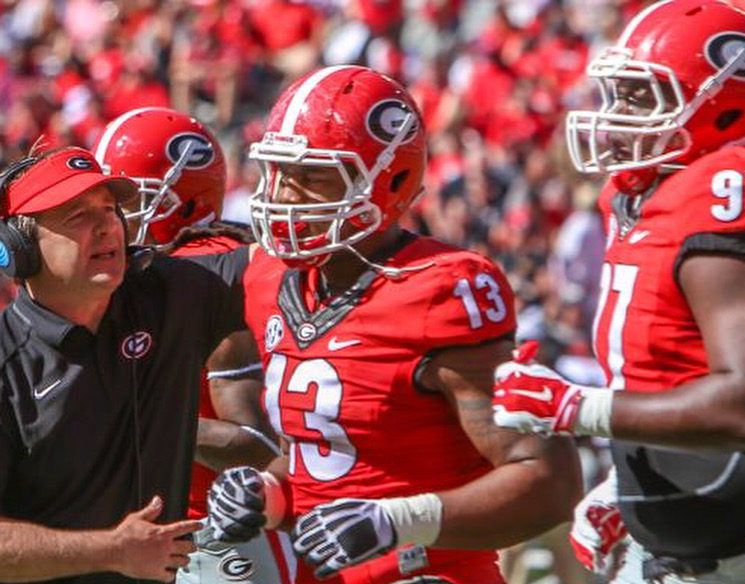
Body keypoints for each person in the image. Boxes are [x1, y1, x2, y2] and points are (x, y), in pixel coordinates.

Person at [490, 1, 745, 582]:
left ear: (724, 105)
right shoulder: (642, 204)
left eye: (643, 97)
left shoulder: (731, 190)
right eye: (620, 95)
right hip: (676, 560)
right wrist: (627, 487)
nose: (617, 117)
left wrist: (575, 408)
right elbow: (667, 379)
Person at [204, 65, 581, 583]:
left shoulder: (440, 288)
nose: (286, 197)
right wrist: (268, 492)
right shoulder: (272, 279)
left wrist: (400, 521)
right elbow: (333, 464)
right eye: (279, 174)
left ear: (393, 179)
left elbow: (550, 481)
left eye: (312, 177)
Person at [0, 146, 249, 583]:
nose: (106, 227)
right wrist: (112, 550)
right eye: (76, 215)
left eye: (110, 209)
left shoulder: (167, 294)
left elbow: (279, 267)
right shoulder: (7, 365)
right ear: (18, 249)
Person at [94, 107, 294, 584]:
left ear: (180, 198)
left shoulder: (208, 277)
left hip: (223, 537)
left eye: (123, 201)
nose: (108, 219)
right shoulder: (148, 277)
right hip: (158, 533)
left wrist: (131, 412)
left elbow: (258, 446)